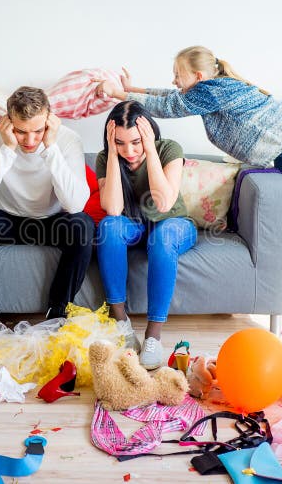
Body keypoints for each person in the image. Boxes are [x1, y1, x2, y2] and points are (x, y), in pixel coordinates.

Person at [95, 46, 282, 297]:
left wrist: (118, 94)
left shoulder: (212, 90)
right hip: (280, 152)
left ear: (197, 77)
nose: (174, 80)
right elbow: (171, 97)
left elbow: (170, 106)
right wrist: (130, 90)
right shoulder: (206, 89)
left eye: (178, 74)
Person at [0, 86, 94, 351]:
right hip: (7, 219)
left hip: (52, 221)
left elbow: (75, 204)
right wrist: (7, 149)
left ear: (49, 120)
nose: (30, 141)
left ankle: (57, 315)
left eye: (38, 131)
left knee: (83, 225)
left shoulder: (67, 139)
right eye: (21, 131)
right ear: (7, 122)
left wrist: (50, 147)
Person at [95, 101, 197, 369]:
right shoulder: (106, 159)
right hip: (133, 224)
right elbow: (114, 209)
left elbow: (163, 204)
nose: (129, 151)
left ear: (149, 133)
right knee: (108, 226)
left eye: (136, 142)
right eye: (120, 143)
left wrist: (150, 150)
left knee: (161, 239)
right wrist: (113, 156)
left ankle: (153, 335)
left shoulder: (169, 149)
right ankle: (121, 324)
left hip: (173, 223)